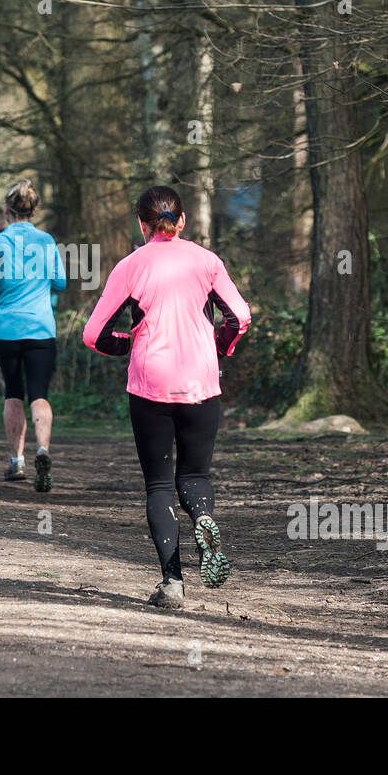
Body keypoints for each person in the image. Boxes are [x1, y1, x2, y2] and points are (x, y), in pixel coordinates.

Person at [82, 186, 250, 610]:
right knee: (195, 476)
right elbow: (240, 316)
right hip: (200, 379)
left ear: (142, 224)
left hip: (150, 382)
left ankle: (172, 583)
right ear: (183, 220)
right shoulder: (207, 262)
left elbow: (94, 334)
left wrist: (129, 343)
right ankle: (204, 517)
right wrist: (219, 346)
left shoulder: (131, 265)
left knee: (158, 484)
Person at [0, 180, 65, 491]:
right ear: (35, 209)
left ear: (8, 210)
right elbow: (61, 283)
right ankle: (43, 449)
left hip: (7, 328)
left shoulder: (0, 239)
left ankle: (17, 462)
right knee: (39, 394)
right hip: (41, 327)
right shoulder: (46, 241)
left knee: (13, 393)